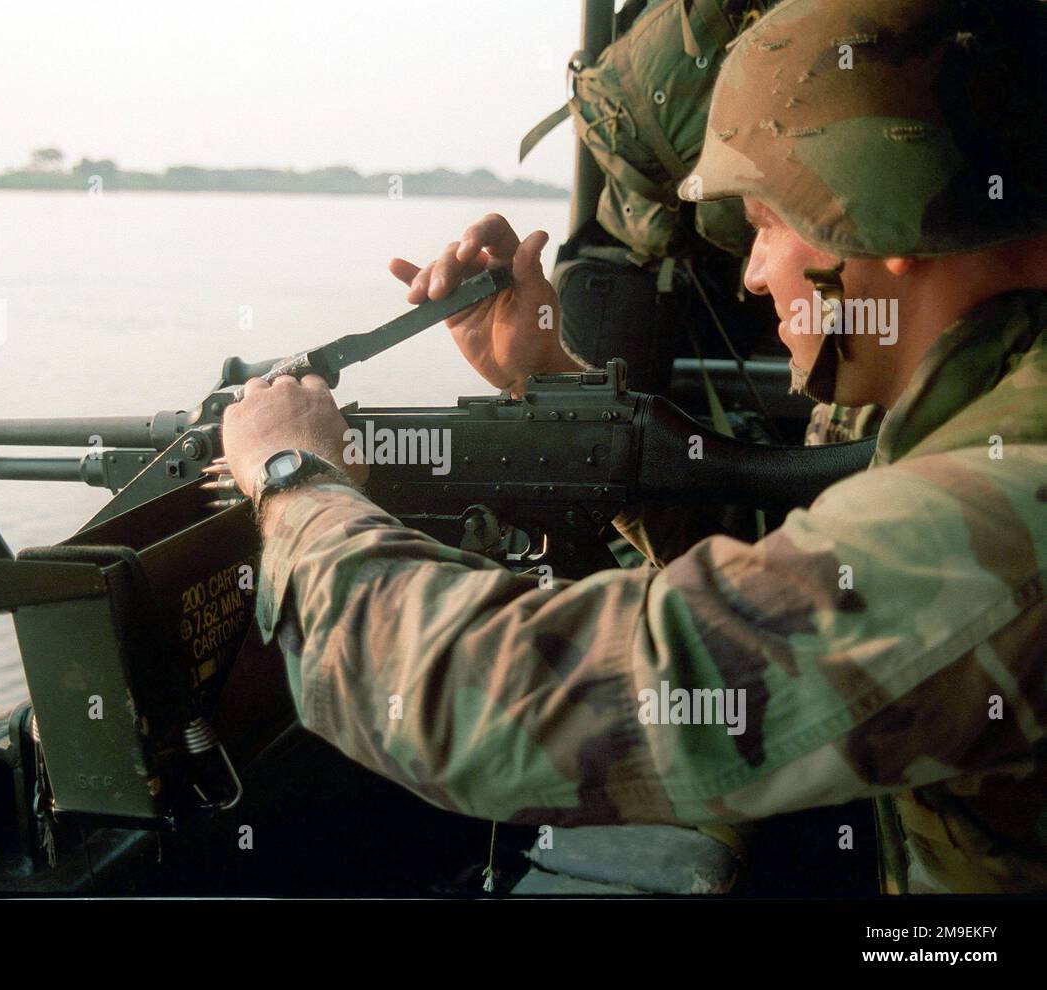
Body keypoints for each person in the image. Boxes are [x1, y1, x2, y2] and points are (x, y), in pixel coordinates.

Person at [220, 0, 1047, 893]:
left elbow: (518, 708)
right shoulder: (982, 394)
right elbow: (800, 572)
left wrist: (294, 481)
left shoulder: (1005, 511)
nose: (752, 271)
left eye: (766, 222)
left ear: (879, 217)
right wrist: (549, 380)